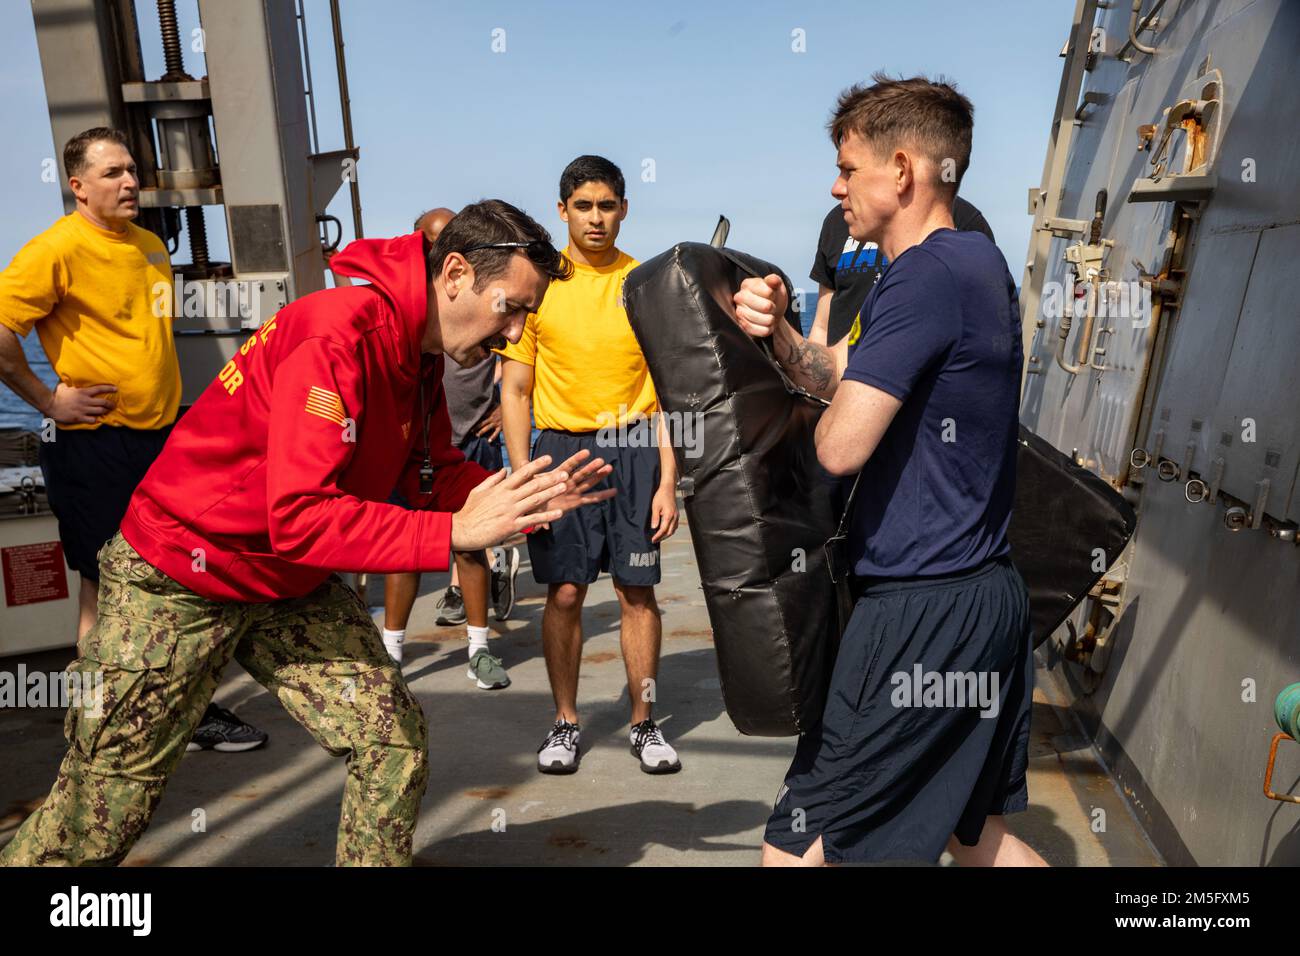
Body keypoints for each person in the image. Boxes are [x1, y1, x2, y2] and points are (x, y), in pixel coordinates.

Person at [0, 199, 614, 867]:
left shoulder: (421, 357)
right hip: (177, 575)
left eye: (528, 316)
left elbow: (429, 473)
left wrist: (522, 496)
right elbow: (298, 515)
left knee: (390, 740)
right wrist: (454, 532)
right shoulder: (338, 336)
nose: (518, 333)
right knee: (104, 807)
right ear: (457, 274)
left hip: (283, 579)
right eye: (511, 308)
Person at [731, 75, 1045, 866]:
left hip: (922, 613)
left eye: (847, 167)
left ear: (900, 169)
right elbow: (835, 368)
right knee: (977, 841)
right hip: (981, 599)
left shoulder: (924, 276)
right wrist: (778, 336)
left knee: (801, 846)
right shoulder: (969, 263)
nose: (835, 187)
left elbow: (842, 445)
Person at [0, 126, 265, 753]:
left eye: (132, 172)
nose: (129, 183)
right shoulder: (56, 249)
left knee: (175, 574)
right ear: (77, 185)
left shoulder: (149, 246)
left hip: (159, 441)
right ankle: (98, 720)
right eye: (114, 173)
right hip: (94, 443)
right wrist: (46, 399)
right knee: (103, 578)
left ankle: (187, 707)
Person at [499, 155, 682, 775]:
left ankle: (644, 723)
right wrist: (526, 479)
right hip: (560, 452)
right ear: (563, 211)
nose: (596, 218)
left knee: (638, 590)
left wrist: (668, 482)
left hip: (632, 450)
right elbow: (515, 392)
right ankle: (565, 722)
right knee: (568, 591)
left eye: (608, 205)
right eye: (584, 206)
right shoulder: (541, 284)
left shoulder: (647, 286)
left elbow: (664, 395)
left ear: (625, 209)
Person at [378, 207, 520, 690]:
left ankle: (478, 648)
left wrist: (504, 409)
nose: (510, 331)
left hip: (468, 440)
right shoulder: (400, 331)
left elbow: (523, 367)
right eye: (432, 241)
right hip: (410, 454)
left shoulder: (478, 321)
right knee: (404, 551)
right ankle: (391, 650)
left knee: (471, 544)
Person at [806, 196, 995, 347]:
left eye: (851, 170)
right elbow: (821, 328)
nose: (838, 188)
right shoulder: (837, 221)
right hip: (842, 385)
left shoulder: (963, 219)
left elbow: (987, 331)